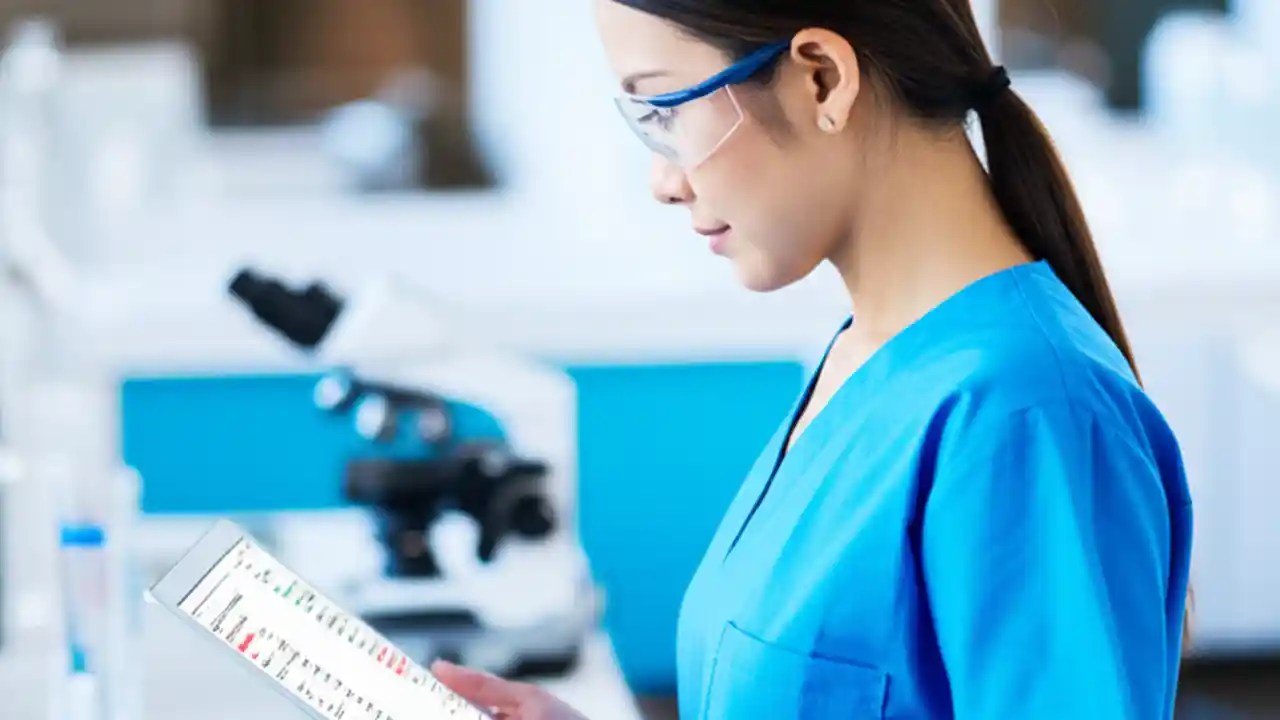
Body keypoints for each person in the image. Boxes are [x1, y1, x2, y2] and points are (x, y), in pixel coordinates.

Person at [432, 1, 1195, 717]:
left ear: (822, 77)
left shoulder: (1024, 415)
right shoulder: (868, 357)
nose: (664, 182)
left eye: (668, 109)